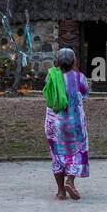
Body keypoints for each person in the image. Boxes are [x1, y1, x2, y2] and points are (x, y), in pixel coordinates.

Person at [43, 47, 89, 200]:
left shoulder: (51, 76)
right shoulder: (79, 77)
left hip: (54, 124)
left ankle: (61, 191)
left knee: (57, 155)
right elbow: (84, 94)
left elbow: (47, 95)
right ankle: (70, 180)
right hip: (74, 123)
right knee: (75, 153)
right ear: (73, 61)